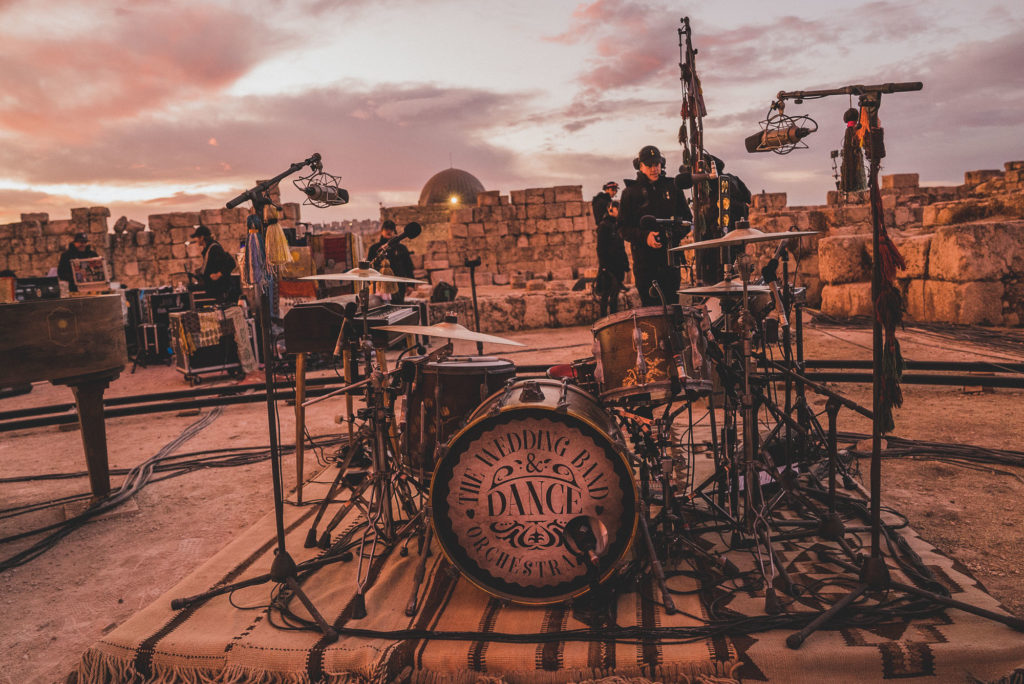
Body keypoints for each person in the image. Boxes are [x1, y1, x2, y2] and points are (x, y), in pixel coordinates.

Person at [618, 145, 692, 307]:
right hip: (645, 263)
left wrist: (670, 235)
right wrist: (645, 237)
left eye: (656, 164)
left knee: (672, 307)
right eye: (649, 165)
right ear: (640, 166)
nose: (654, 169)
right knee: (651, 310)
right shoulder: (630, 193)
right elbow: (623, 228)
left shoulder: (673, 187)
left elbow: (687, 220)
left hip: (670, 260)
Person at [367, 220, 414, 304]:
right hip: (379, 286)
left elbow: (408, 267)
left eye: (391, 229)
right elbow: (369, 268)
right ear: (382, 231)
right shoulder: (374, 248)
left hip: (398, 286)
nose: (389, 231)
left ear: (394, 231)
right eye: (386, 229)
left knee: (398, 308)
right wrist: (371, 284)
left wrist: (411, 285)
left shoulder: (401, 248)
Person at [595, 201, 629, 318]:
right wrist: (603, 267)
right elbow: (600, 248)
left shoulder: (617, 225)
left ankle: (614, 319)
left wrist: (625, 264)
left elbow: (621, 247)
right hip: (608, 267)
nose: (619, 212)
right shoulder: (603, 226)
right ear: (611, 209)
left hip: (618, 266)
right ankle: (604, 319)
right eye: (617, 209)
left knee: (615, 295)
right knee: (605, 295)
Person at [191, 225, 237, 303]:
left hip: (220, 290)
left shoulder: (214, 248)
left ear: (202, 237)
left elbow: (231, 263)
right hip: (214, 290)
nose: (196, 240)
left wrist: (218, 274)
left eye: (197, 237)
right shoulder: (208, 249)